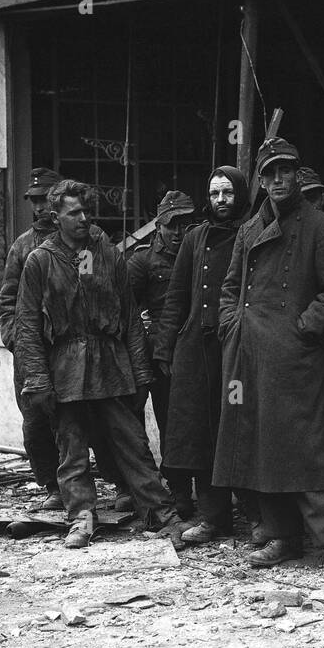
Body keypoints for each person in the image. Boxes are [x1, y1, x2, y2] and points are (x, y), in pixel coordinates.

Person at [213, 138, 324, 577]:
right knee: (260, 445)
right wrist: (231, 326)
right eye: (270, 173)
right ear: (260, 180)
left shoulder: (323, 226)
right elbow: (229, 288)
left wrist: (302, 330)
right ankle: (282, 537)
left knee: (308, 446)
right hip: (249, 355)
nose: (278, 180)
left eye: (286, 171)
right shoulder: (248, 231)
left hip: (295, 358)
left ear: (298, 175)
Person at [15, 179, 183, 549]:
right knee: (71, 448)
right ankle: (81, 518)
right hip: (66, 368)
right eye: (74, 212)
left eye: (85, 211)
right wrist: (38, 379)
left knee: (133, 444)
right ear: (55, 216)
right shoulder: (39, 261)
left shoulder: (106, 252)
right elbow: (27, 325)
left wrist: (140, 371)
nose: (83, 218)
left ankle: (162, 514)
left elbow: (128, 314)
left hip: (110, 363)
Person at [154, 166, 251, 545]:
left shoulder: (251, 231)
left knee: (239, 428)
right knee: (198, 435)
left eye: (228, 193)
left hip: (234, 348)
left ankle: (257, 517)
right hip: (196, 348)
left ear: (239, 194)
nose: (221, 201)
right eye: (214, 194)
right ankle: (214, 518)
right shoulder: (195, 238)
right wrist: (165, 349)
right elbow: (176, 296)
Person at [0, 167, 64, 510]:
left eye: (46, 199)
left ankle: (82, 485)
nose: (39, 207)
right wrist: (16, 341)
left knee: (73, 421)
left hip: (67, 349)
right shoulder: (22, 247)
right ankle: (52, 487)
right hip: (30, 351)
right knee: (36, 426)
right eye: (35, 201)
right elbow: (7, 301)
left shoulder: (78, 241)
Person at [128, 189, 196, 511]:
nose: (179, 233)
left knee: (198, 421)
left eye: (185, 224)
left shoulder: (198, 253)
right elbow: (126, 309)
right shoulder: (142, 261)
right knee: (171, 423)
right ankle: (178, 490)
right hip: (161, 355)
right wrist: (146, 341)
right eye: (172, 226)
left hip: (196, 350)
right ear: (159, 227)